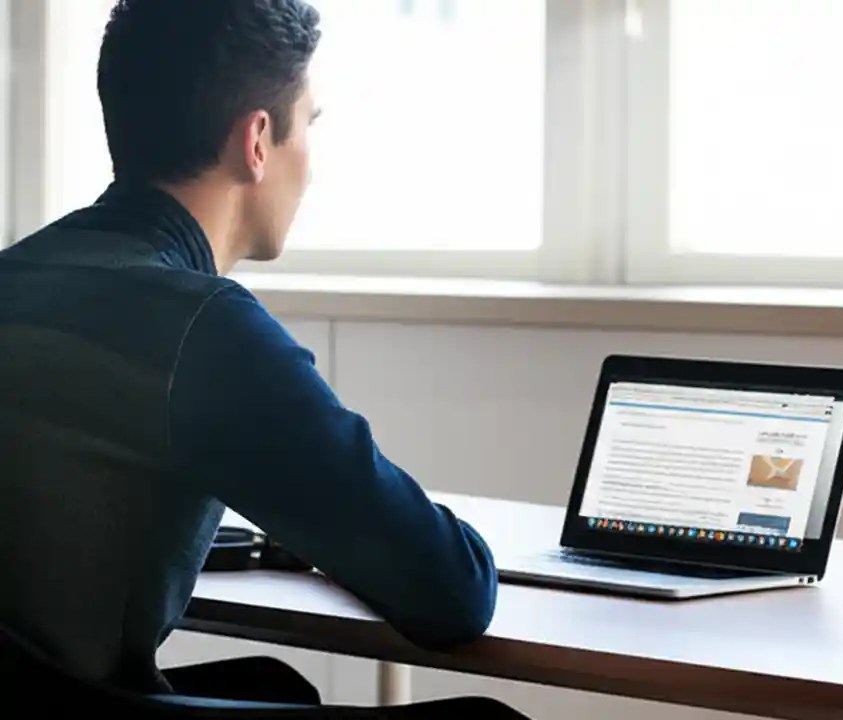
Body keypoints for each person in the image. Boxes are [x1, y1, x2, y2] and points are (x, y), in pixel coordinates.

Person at [0, 1, 523, 716]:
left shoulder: (17, 274)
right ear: (256, 140)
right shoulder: (204, 329)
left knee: (270, 684)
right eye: (308, 124)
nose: (309, 161)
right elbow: (451, 592)